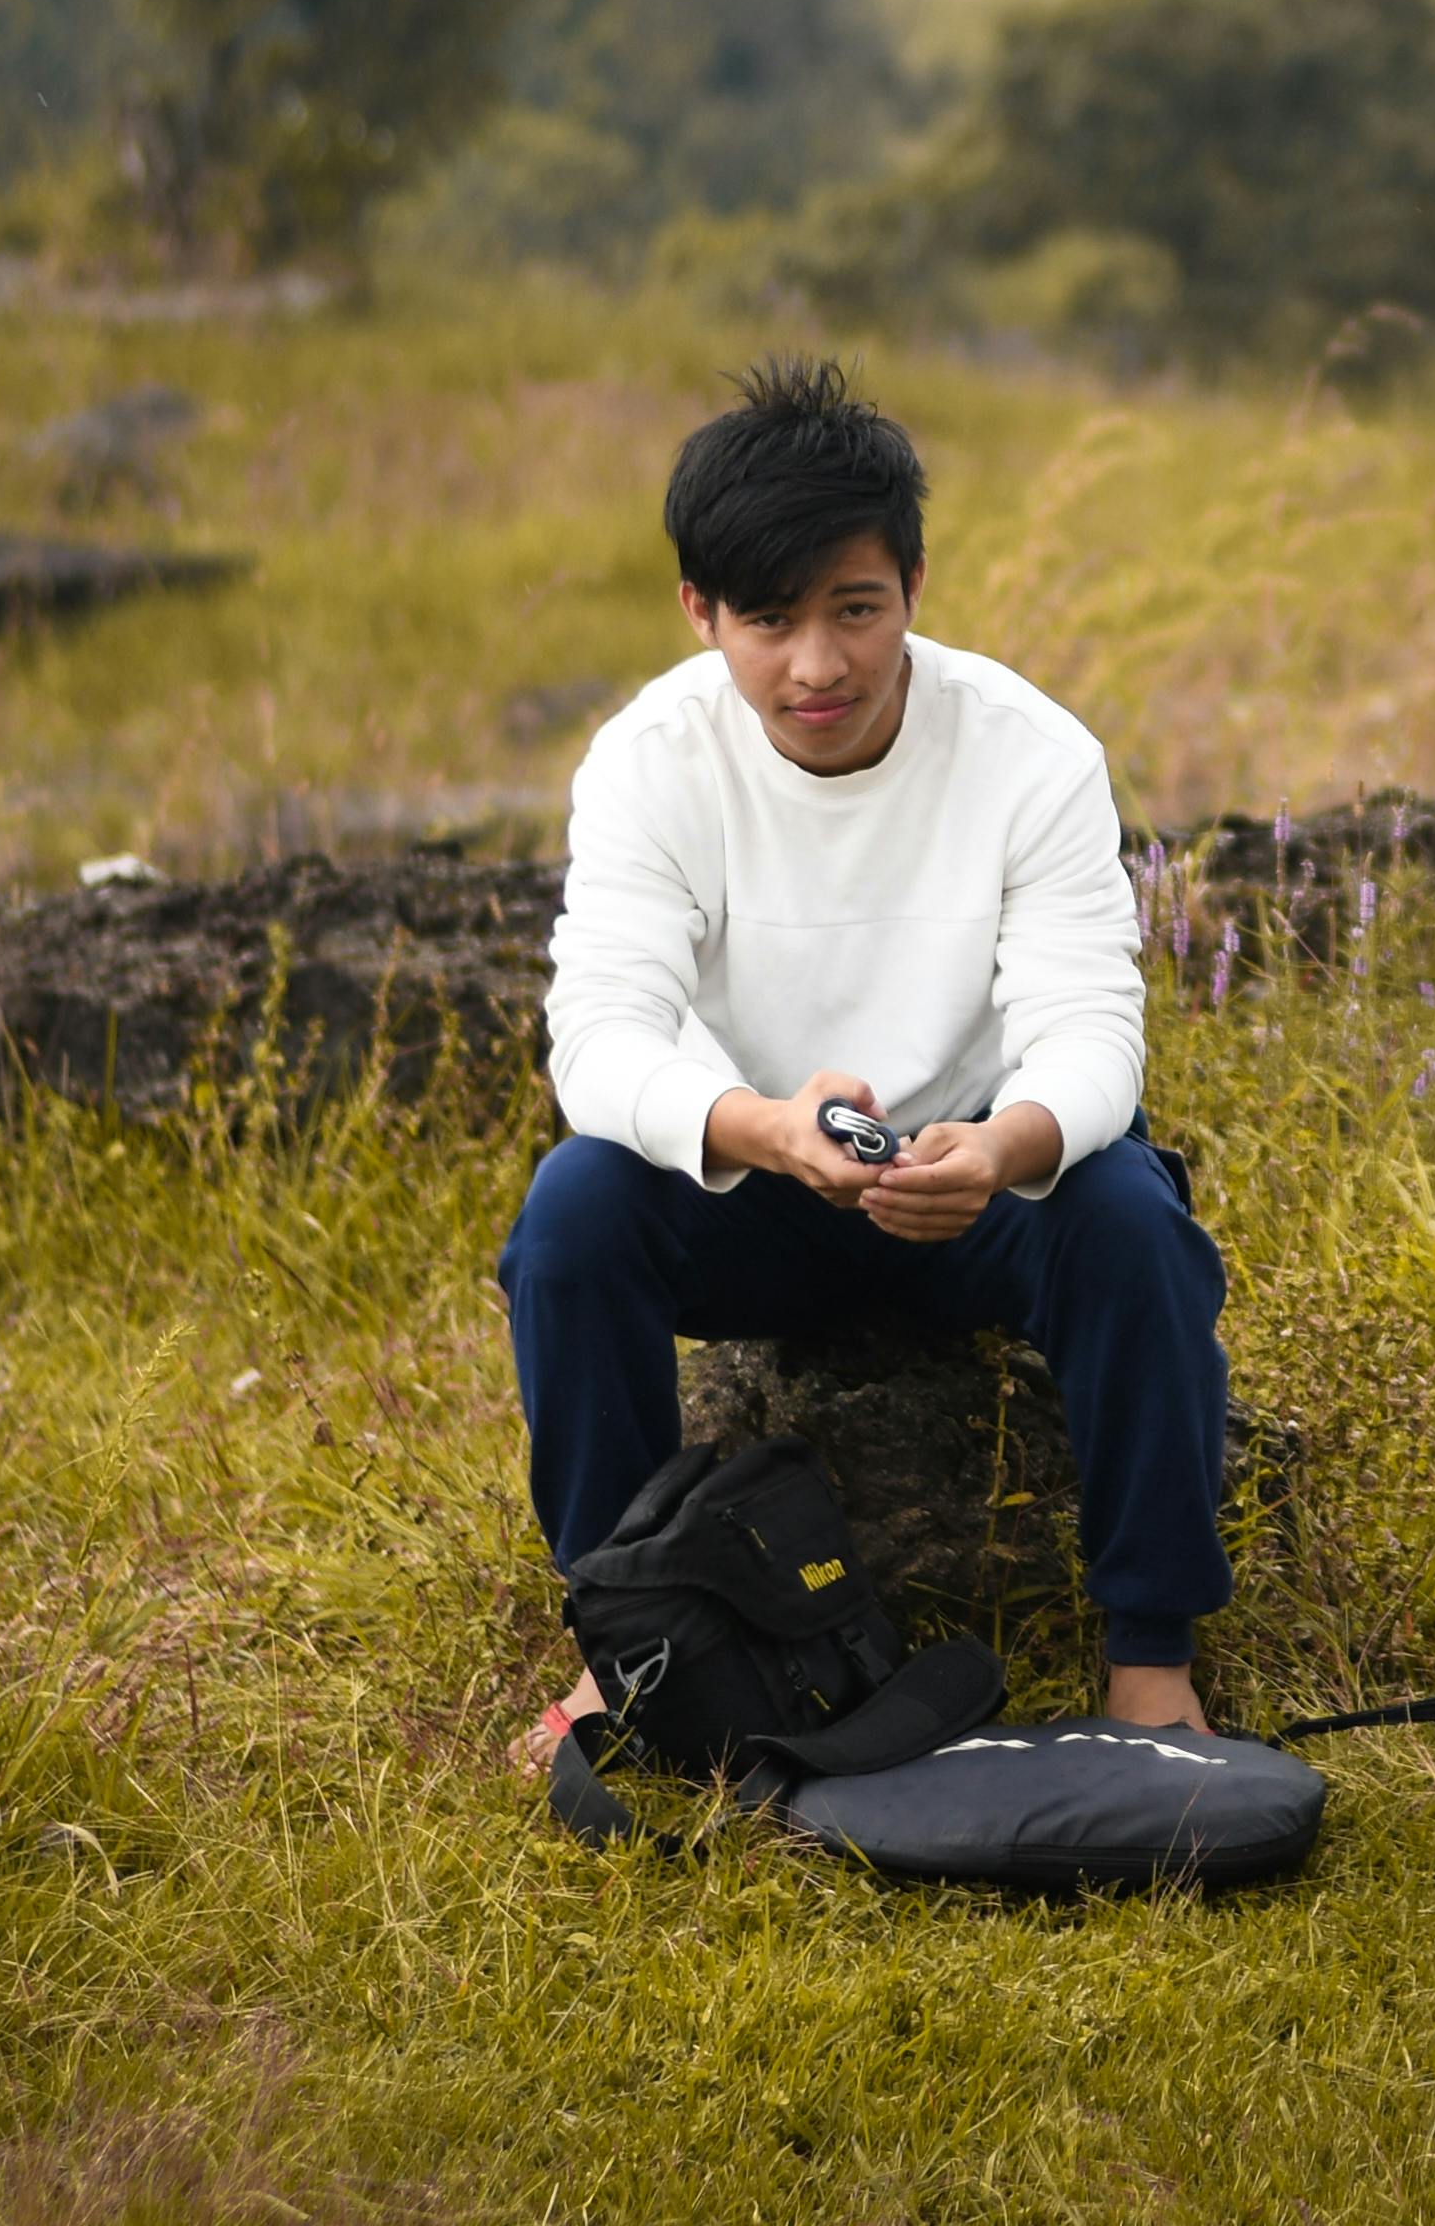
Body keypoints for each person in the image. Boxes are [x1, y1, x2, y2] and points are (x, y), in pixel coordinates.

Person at [499, 354, 1229, 1766]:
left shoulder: (1029, 755)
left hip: (972, 1186)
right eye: (768, 621)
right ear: (697, 612)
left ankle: (1151, 1658)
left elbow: (1090, 1032)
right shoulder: (651, 761)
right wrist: (766, 1131)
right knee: (573, 1216)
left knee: (1133, 1218)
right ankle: (625, 1651)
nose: (817, 665)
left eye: (855, 610)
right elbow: (598, 1042)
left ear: (913, 586)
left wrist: (1003, 1149)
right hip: (751, 1182)